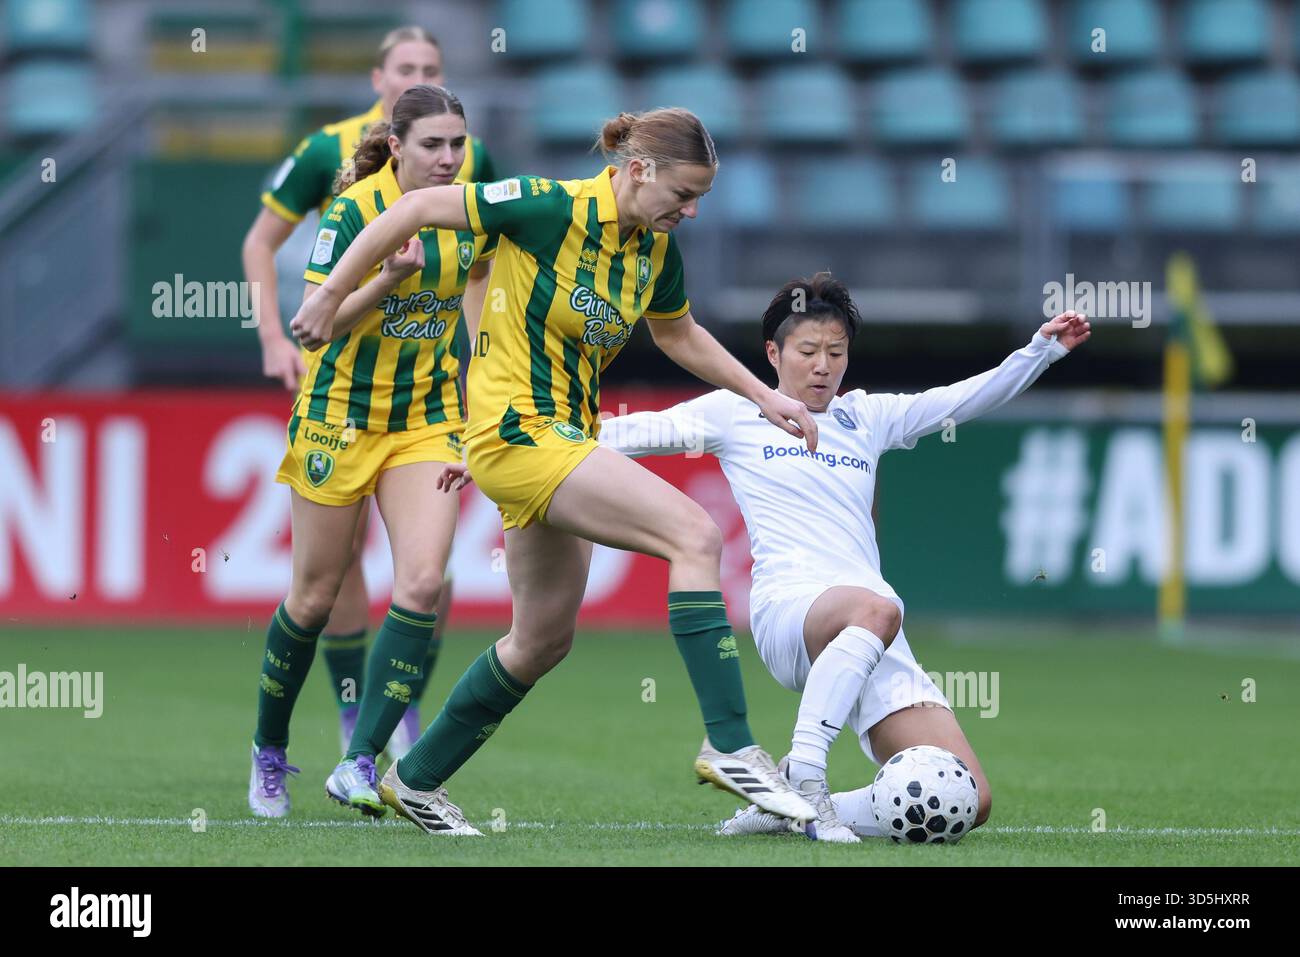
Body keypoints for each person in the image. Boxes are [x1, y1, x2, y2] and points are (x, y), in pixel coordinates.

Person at [289, 108, 819, 836]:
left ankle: (414, 780)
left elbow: (678, 334)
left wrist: (764, 395)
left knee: (541, 639)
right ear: (639, 170)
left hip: (557, 441)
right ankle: (729, 742)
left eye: (701, 197)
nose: (691, 210)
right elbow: (413, 207)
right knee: (694, 537)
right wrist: (326, 295)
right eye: (685, 192)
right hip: (520, 436)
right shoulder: (547, 207)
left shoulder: (653, 251)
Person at [594, 273, 1090, 841]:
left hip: (874, 633)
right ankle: (806, 775)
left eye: (836, 352)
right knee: (879, 606)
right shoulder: (734, 411)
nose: (823, 366)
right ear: (774, 353)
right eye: (808, 351)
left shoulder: (867, 418)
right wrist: (494, 447)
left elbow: (965, 398)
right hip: (791, 612)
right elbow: (621, 434)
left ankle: (782, 808)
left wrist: (1042, 351)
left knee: (965, 797)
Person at [240, 25, 496, 762]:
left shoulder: (467, 182)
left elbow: (482, 273)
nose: (449, 158)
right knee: (319, 591)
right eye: (405, 67)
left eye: (457, 145)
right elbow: (304, 305)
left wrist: (480, 374)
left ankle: (370, 745)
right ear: (381, 83)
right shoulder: (340, 176)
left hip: (425, 415)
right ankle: (276, 742)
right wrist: (276, 335)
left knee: (423, 579)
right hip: (339, 412)